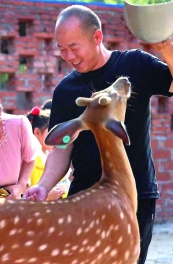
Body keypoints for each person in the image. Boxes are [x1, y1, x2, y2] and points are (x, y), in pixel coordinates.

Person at [24, 5, 173, 264]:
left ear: (97, 37)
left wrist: (168, 51)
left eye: (74, 46)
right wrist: (43, 186)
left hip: (134, 196)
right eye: (61, 49)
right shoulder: (65, 90)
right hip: (84, 198)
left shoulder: (135, 64)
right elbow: (62, 148)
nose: (68, 56)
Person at [26, 106, 70, 200]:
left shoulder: (52, 156)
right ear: (37, 132)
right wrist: (48, 195)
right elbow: (24, 195)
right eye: (51, 131)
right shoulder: (29, 159)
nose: (57, 137)